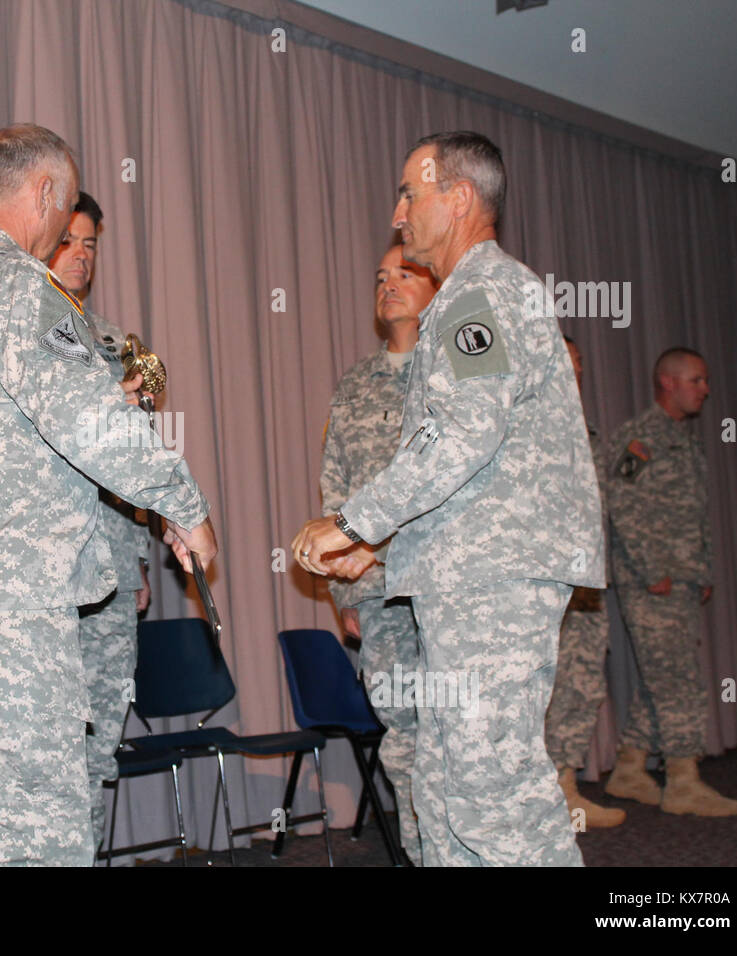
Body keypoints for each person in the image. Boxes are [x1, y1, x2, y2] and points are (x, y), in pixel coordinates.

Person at [0, 123, 217, 865]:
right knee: (38, 840)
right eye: (65, 211)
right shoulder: (18, 287)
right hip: (7, 618)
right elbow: (92, 421)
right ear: (47, 191)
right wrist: (183, 506)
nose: (66, 232)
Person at [292, 131, 604, 866]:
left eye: (410, 192)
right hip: (466, 574)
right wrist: (375, 544)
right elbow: (470, 455)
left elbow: (466, 432)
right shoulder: (467, 299)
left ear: (459, 197)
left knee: (493, 791)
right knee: (440, 787)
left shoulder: (479, 296)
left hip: (493, 578)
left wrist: (351, 520)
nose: (398, 213)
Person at [319, 243, 436, 864]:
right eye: (380, 276)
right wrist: (346, 590)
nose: (388, 285)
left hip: (448, 586)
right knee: (407, 742)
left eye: (405, 273)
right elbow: (335, 493)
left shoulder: (455, 371)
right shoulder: (355, 384)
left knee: (465, 739)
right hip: (381, 596)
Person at [48, 192, 156, 850]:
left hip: (114, 563)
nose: (82, 254)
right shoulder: (30, 334)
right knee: (53, 746)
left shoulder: (116, 341)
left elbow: (137, 461)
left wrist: (140, 552)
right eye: (69, 240)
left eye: (91, 243)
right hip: (55, 569)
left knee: (100, 742)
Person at [601, 348, 737, 816]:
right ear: (668, 382)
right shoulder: (640, 438)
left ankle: (629, 768)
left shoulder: (685, 439)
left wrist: (702, 570)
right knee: (679, 679)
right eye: (696, 380)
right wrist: (650, 569)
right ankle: (683, 779)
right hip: (652, 582)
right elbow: (621, 504)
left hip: (680, 579)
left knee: (660, 676)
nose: (705, 390)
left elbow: (694, 513)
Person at [544, 337, 626, 828]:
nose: (575, 373)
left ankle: (565, 786)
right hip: (551, 586)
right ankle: (543, 797)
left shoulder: (588, 433)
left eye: (580, 366)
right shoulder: (530, 425)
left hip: (589, 586)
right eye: (566, 363)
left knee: (582, 685)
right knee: (546, 687)